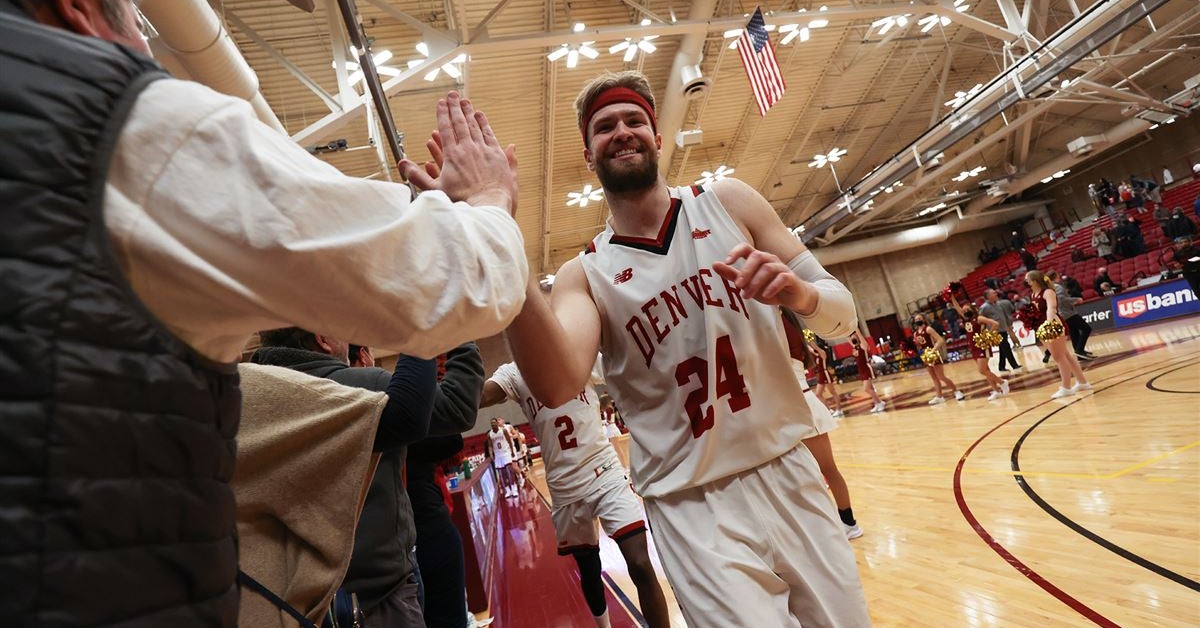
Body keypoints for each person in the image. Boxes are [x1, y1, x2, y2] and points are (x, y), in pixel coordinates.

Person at [0, 2, 529, 625]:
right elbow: (452, 285)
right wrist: (488, 200)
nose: (146, 49)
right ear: (82, 8)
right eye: (140, 27)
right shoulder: (113, 117)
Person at [472, 70, 869, 626]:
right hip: (690, 506)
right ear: (588, 155)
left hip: (787, 469)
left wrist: (800, 294)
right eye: (605, 126)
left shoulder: (730, 203)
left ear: (658, 136)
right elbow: (559, 383)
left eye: (635, 120)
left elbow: (842, 315)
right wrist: (499, 232)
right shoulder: (583, 274)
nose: (623, 132)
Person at [252, 331, 484, 628]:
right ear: (323, 338)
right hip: (379, 595)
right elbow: (457, 406)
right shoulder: (362, 387)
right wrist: (463, 332)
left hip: (293, 601)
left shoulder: (248, 398)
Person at [482, 363, 671, 628]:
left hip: (605, 472)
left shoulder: (579, 351)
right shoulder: (515, 372)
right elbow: (479, 397)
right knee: (590, 570)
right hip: (565, 487)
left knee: (640, 562)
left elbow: (626, 365)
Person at [1026, 271, 1091, 399]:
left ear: (1034, 280)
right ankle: (1083, 382)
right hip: (1042, 327)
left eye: (1027, 279)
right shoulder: (1033, 294)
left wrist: (1049, 323)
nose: (1026, 282)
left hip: (1054, 325)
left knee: (1059, 357)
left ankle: (1066, 388)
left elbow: (1052, 308)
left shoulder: (1048, 292)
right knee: (1066, 355)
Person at [949, 296, 1009, 400]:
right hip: (973, 347)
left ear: (973, 310)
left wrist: (987, 336)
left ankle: (1002, 382)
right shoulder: (965, 319)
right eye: (964, 310)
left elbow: (995, 324)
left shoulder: (979, 318)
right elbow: (957, 307)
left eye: (967, 309)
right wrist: (951, 296)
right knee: (986, 370)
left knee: (982, 370)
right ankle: (996, 391)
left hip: (982, 346)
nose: (965, 311)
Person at [911, 313, 963, 404]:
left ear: (923, 319)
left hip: (933, 354)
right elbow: (920, 345)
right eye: (916, 320)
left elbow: (940, 340)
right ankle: (939, 396)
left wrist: (933, 350)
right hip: (925, 355)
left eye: (919, 318)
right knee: (934, 378)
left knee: (941, 376)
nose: (918, 320)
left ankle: (956, 391)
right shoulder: (915, 333)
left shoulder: (928, 329)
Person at [1047, 270, 1094, 361]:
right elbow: (1062, 299)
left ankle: (1080, 354)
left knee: (1074, 332)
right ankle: (1079, 350)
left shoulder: (1050, 288)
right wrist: (1076, 299)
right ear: (1055, 276)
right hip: (1068, 313)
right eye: (1058, 275)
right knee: (1086, 328)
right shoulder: (1058, 287)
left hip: (1062, 314)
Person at [979, 289, 1022, 372]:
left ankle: (1001, 366)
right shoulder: (984, 307)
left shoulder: (998, 304)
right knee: (1006, 347)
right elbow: (980, 320)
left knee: (1003, 349)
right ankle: (1014, 365)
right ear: (988, 296)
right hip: (996, 331)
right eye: (993, 293)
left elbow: (1003, 316)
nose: (996, 294)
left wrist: (1008, 325)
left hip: (1003, 329)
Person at [850, 331, 887, 413]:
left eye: (854, 337)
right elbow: (848, 339)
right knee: (870, 388)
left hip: (867, 368)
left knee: (867, 389)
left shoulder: (863, 346)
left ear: (858, 338)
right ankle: (878, 403)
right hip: (861, 370)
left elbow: (862, 341)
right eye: (852, 338)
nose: (853, 339)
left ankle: (879, 403)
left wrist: (857, 331)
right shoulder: (855, 348)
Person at [807, 336, 844, 417]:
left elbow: (814, 347)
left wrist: (809, 338)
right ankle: (828, 410)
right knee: (818, 394)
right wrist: (805, 340)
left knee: (833, 392)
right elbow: (810, 348)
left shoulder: (823, 354)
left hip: (825, 374)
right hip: (821, 376)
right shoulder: (817, 355)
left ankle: (839, 409)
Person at [485, 417, 520, 498]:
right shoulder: (489, 434)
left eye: (494, 422)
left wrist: (512, 451)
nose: (493, 424)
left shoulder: (503, 430)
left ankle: (514, 489)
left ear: (497, 423)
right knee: (502, 474)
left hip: (506, 453)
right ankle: (507, 490)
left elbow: (509, 441)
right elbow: (490, 446)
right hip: (498, 455)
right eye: (492, 423)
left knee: (509, 471)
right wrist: (491, 455)